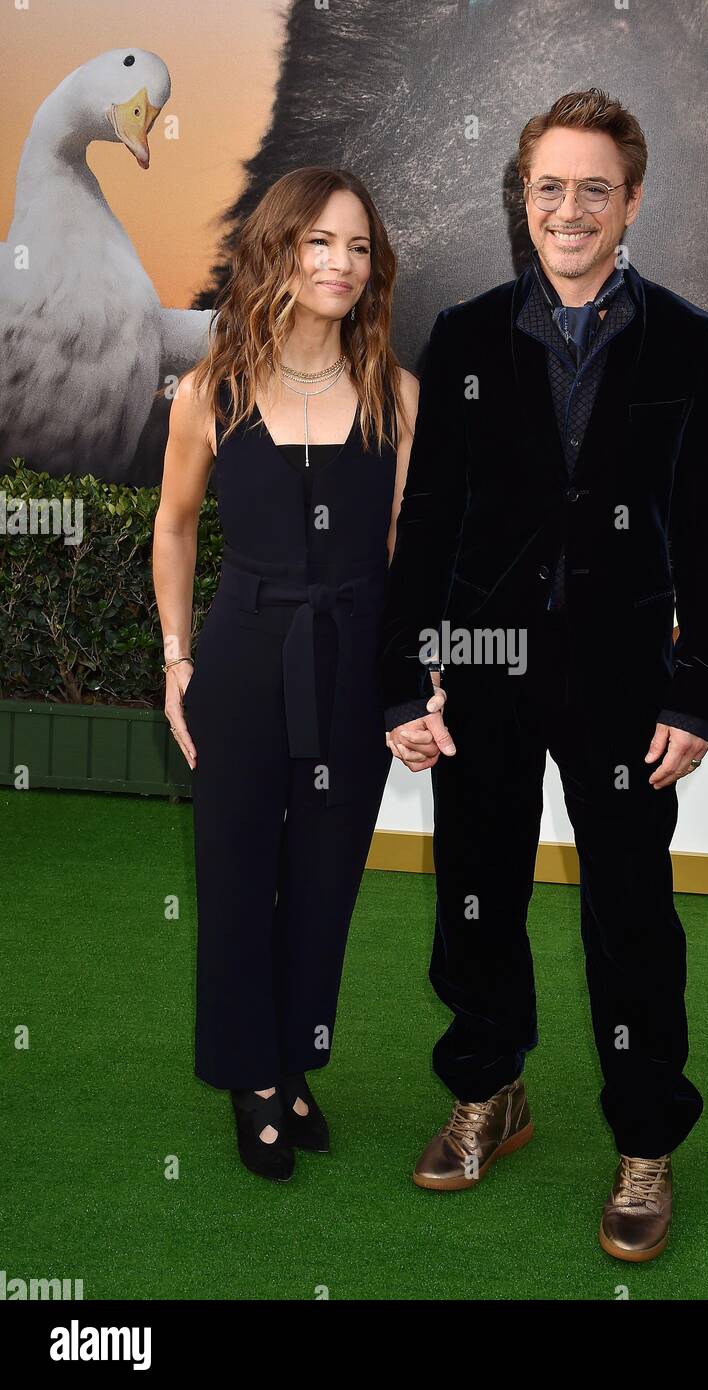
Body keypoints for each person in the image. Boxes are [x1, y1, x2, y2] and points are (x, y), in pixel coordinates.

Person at [381, 89, 708, 1260]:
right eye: (550, 187)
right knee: (475, 889)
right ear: (522, 200)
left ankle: (646, 1142)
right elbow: (426, 522)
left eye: (596, 187)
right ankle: (490, 1089)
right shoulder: (468, 336)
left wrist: (696, 692)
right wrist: (404, 678)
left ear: (630, 201)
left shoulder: (687, 339)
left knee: (630, 914)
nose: (570, 209)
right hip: (484, 672)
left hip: (628, 681)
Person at [153, 167, 418, 1182]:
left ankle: (295, 1055)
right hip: (241, 655)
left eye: (357, 248)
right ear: (279, 249)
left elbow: (404, 556)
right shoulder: (211, 387)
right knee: (233, 870)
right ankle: (250, 1075)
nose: (340, 265)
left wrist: (412, 684)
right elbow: (173, 531)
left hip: (350, 663)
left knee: (323, 877)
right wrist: (177, 659)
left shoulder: (399, 397)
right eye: (319, 243)